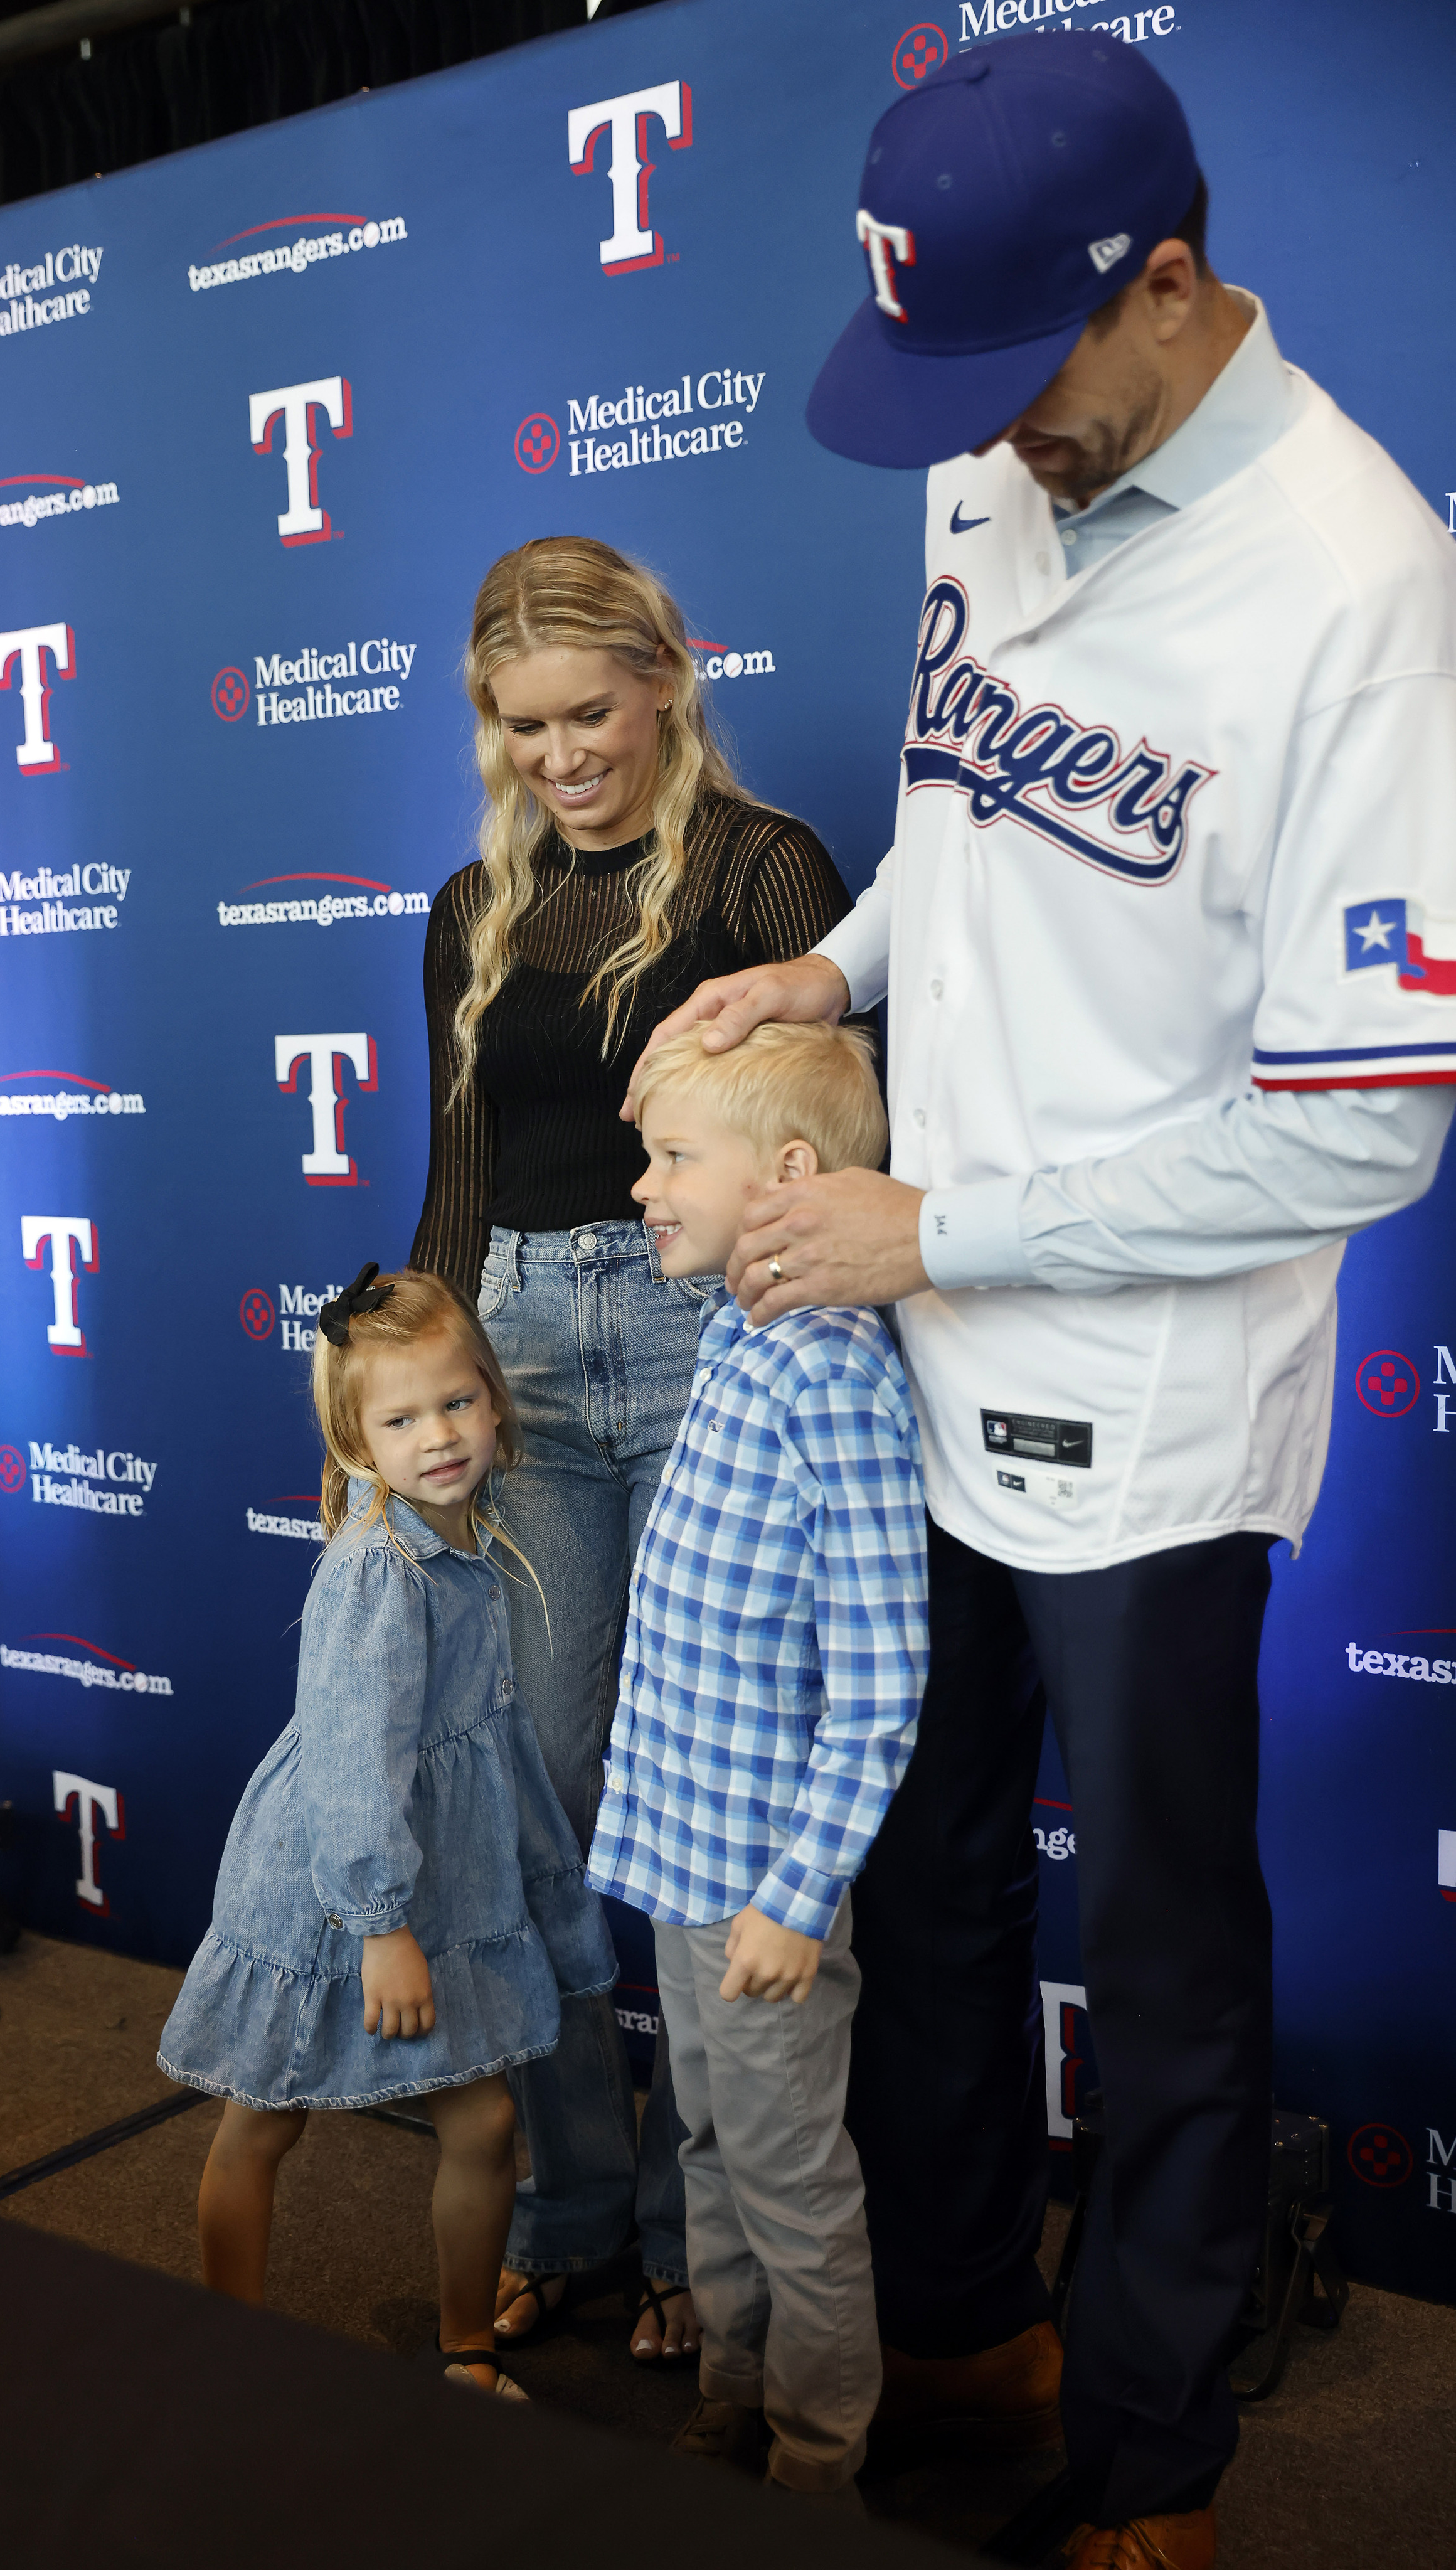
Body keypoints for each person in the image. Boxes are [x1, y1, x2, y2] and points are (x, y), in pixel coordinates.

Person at [625, 36, 1456, 2569]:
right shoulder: (998, 444)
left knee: (1167, 1953)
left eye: (1019, 376)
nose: (987, 437)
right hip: (921, 1333)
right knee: (928, 1871)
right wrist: (836, 975)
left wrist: (941, 1230)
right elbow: (968, 820)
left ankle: (1156, 2464)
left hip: (1139, 1390)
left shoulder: (1359, 584)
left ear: (1166, 286)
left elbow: (1359, 1124)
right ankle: (968, 2317)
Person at [410, 537, 853, 2360]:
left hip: (712, 1343)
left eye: (588, 712)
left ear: (665, 678)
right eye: (523, 728)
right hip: (517, 1347)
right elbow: (460, 1168)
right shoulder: (473, 902)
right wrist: (408, 1387)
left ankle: (700, 2244)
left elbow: (833, 1147)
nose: (561, 756)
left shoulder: (765, 869)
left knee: (704, 1806)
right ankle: (572, 2208)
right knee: (541, 1792)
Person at [157, 1265, 615, 2401]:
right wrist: (378, 1924)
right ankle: (227, 2344)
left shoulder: (473, 1539)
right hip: (339, 1893)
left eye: (456, 1402)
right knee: (263, 2120)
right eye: (402, 1420)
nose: (439, 1437)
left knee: (485, 2120)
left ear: (495, 1399)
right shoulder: (378, 1570)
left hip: (445, 1883)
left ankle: (466, 2353)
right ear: (356, 1443)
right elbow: (356, 1766)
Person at [588, 1021, 929, 2502]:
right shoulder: (731, 1340)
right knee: (708, 2141)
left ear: (788, 1173)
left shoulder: (835, 1378)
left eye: (675, 1156)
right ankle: (733, 2387)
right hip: (683, 1860)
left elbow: (879, 1681)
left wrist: (799, 1895)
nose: (643, 1186)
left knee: (791, 2180)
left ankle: (817, 2454)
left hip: (762, 1894)